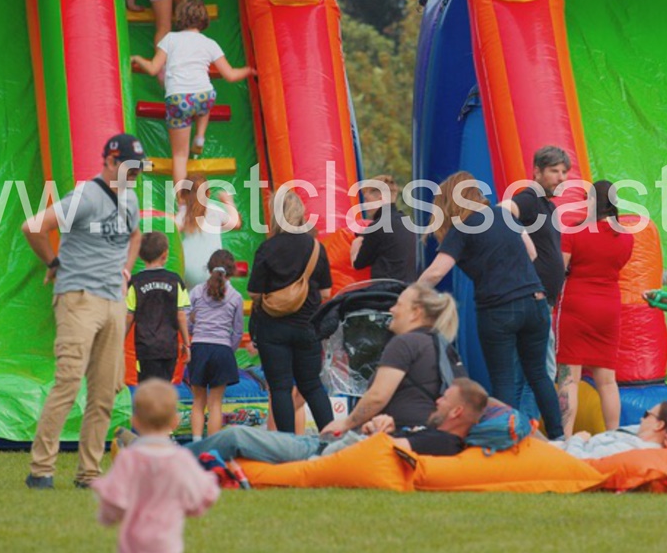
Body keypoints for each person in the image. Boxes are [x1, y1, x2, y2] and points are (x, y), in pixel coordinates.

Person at [22, 134, 144, 490]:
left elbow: (135, 237)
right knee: (68, 383)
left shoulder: (132, 199)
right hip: (79, 298)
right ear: (109, 161)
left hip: (112, 300)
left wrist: (126, 271)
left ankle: (88, 472)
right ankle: (41, 469)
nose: (132, 175)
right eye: (127, 167)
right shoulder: (86, 196)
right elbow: (33, 226)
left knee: (105, 392)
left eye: (137, 170)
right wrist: (54, 262)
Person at [419, 171, 564, 439]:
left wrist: (410, 294)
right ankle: (559, 437)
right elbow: (532, 252)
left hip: (499, 308)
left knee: (504, 379)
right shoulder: (503, 215)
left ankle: (506, 438)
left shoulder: (461, 229)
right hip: (535, 302)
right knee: (539, 375)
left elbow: (436, 272)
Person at [92, 379, 219, 553]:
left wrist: (106, 518)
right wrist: (195, 507)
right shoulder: (180, 460)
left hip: (133, 547)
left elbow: (114, 499)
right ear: (175, 421)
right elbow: (203, 493)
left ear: (135, 422)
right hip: (165, 547)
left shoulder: (129, 459)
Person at [168, 377, 490, 463]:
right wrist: (379, 425)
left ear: (458, 412)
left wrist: (379, 430)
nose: (438, 399)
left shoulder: (442, 440)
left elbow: (389, 451)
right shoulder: (434, 431)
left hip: (321, 454)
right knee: (238, 438)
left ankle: (162, 458)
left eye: (445, 399)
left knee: (237, 436)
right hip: (328, 445)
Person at [130, 0, 255, 185]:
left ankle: (181, 201)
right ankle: (200, 137)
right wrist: (249, 70)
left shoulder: (169, 39)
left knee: (180, 156)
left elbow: (154, 69)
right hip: (204, 95)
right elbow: (230, 75)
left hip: (179, 99)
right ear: (203, 19)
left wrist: (138, 59)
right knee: (203, 102)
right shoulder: (209, 43)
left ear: (180, 18)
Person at [321, 282, 465, 437]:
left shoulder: (404, 343)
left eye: (399, 305)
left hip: (400, 437)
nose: (392, 309)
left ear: (415, 312)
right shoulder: (443, 345)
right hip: (431, 436)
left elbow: (377, 397)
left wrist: (346, 424)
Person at [247, 188, 334, 434]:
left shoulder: (267, 248)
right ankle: (332, 438)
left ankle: (286, 444)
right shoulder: (316, 247)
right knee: (312, 385)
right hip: (308, 326)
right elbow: (326, 293)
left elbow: (254, 293)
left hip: (272, 328)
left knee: (280, 387)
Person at [555, 180, 634, 436]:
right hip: (609, 307)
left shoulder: (574, 232)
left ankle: (564, 437)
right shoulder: (626, 237)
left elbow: (558, 271)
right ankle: (613, 436)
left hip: (576, 306)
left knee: (568, 379)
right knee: (608, 381)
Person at [500, 145, 571, 418]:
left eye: (564, 172)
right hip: (532, 297)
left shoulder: (548, 206)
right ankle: (525, 432)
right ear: (537, 171)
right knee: (543, 371)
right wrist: (526, 241)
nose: (561, 177)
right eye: (554, 171)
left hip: (539, 299)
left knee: (523, 373)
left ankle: (512, 430)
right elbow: (502, 212)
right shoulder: (529, 197)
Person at [187, 249, 244, 441]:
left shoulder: (196, 291)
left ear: (209, 268)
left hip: (199, 347)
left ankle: (196, 442)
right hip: (222, 349)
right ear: (232, 271)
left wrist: (193, 332)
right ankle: (212, 447)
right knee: (215, 404)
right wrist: (230, 349)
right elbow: (237, 331)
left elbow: (187, 321)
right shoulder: (236, 297)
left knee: (198, 401)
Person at [126, 232, 190, 384]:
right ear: (165, 254)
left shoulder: (135, 282)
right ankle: (163, 408)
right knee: (165, 385)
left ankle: (149, 408)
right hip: (168, 346)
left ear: (140, 256)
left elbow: (129, 316)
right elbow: (181, 315)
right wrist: (187, 343)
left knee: (147, 386)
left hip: (145, 347)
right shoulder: (175, 280)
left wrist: (119, 340)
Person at [556, 401, 667, 459]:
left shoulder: (627, 449)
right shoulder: (639, 437)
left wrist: (577, 439)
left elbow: (576, 462)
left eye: (647, 415)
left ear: (659, 425)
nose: (641, 419)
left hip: (562, 452)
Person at [174, 175, 242, 289]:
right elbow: (236, 223)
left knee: (191, 297)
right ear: (208, 193)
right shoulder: (215, 210)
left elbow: (173, 230)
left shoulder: (183, 214)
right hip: (213, 269)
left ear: (183, 195)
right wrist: (228, 202)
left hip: (188, 270)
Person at [350, 175, 418, 285]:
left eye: (367, 199)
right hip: (408, 290)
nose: (365, 205)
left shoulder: (377, 226)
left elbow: (358, 264)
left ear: (380, 198)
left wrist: (356, 243)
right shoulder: (408, 222)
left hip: (385, 293)